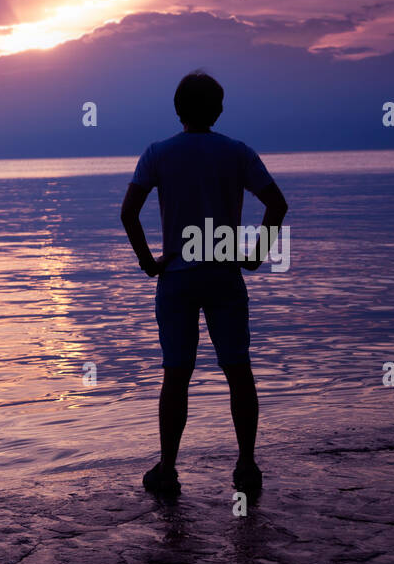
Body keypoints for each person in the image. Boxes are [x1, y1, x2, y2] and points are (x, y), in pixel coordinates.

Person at [120, 70, 288, 498]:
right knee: (238, 370)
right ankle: (247, 465)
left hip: (177, 277)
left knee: (176, 374)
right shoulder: (237, 152)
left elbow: (128, 212)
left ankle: (168, 469)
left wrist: (148, 262)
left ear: (178, 110)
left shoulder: (157, 153)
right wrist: (255, 255)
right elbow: (276, 204)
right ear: (218, 109)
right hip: (223, 273)